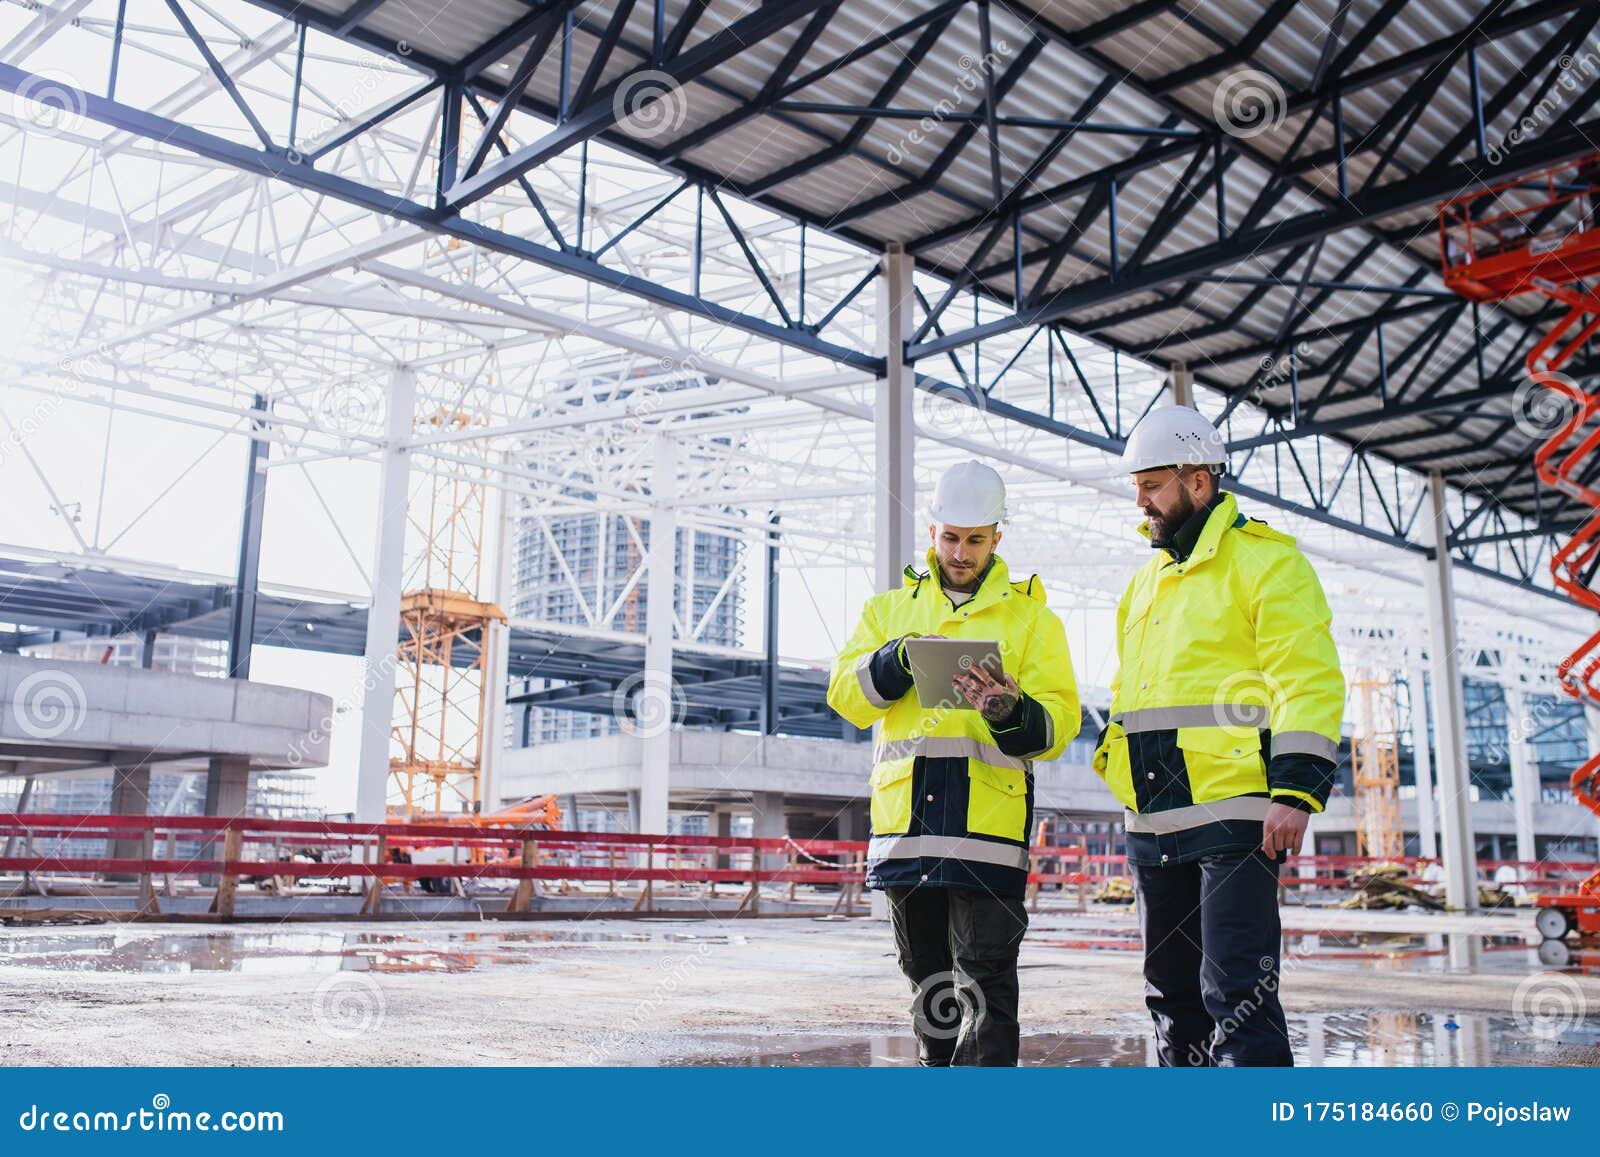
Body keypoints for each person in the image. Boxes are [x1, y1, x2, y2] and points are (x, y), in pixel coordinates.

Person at [1095, 406, 1343, 1067]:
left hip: (1237, 816)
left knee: (1236, 993)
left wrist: (1295, 788)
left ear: (1198, 481)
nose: (1139, 500)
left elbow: (1307, 679)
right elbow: (1135, 696)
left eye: (1151, 484)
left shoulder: (1266, 562)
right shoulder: (1144, 583)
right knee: (1171, 996)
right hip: (1154, 820)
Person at [827, 460, 1079, 1066]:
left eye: (974, 540)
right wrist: (897, 662)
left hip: (985, 830)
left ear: (997, 538)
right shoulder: (887, 611)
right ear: (932, 531)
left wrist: (1009, 709)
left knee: (985, 980)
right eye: (950, 538)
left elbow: (1058, 726)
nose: (960, 552)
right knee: (926, 977)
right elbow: (845, 696)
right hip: (907, 828)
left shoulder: (1033, 621)